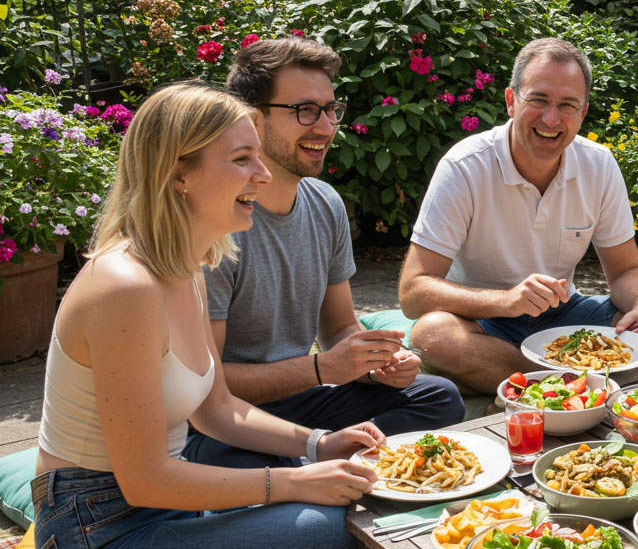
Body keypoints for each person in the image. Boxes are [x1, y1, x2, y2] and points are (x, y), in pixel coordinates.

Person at [32, 81, 381, 549]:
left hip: (164, 508)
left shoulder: (187, 264)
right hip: (95, 542)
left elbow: (217, 410)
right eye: (242, 160)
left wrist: (319, 444)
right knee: (332, 540)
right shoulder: (125, 287)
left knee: (344, 507)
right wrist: (294, 482)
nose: (263, 174)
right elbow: (144, 479)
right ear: (178, 174)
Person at [183, 38, 463, 470]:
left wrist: (375, 363)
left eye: (332, 109)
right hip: (227, 420)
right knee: (224, 457)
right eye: (305, 110)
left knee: (438, 396)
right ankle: (316, 461)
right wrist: (321, 369)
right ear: (252, 119)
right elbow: (207, 388)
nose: (327, 127)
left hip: (304, 401)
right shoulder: (218, 226)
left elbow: (338, 327)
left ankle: (319, 457)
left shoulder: (325, 203)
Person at [399, 37, 638, 394]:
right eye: (538, 100)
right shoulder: (464, 166)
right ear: (511, 101)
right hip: (485, 323)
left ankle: (527, 386)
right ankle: (576, 387)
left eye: (567, 105)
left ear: (583, 113)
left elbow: (626, 271)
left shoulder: (599, 164)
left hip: (565, 319)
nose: (551, 118)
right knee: (433, 335)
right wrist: (505, 301)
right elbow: (412, 291)